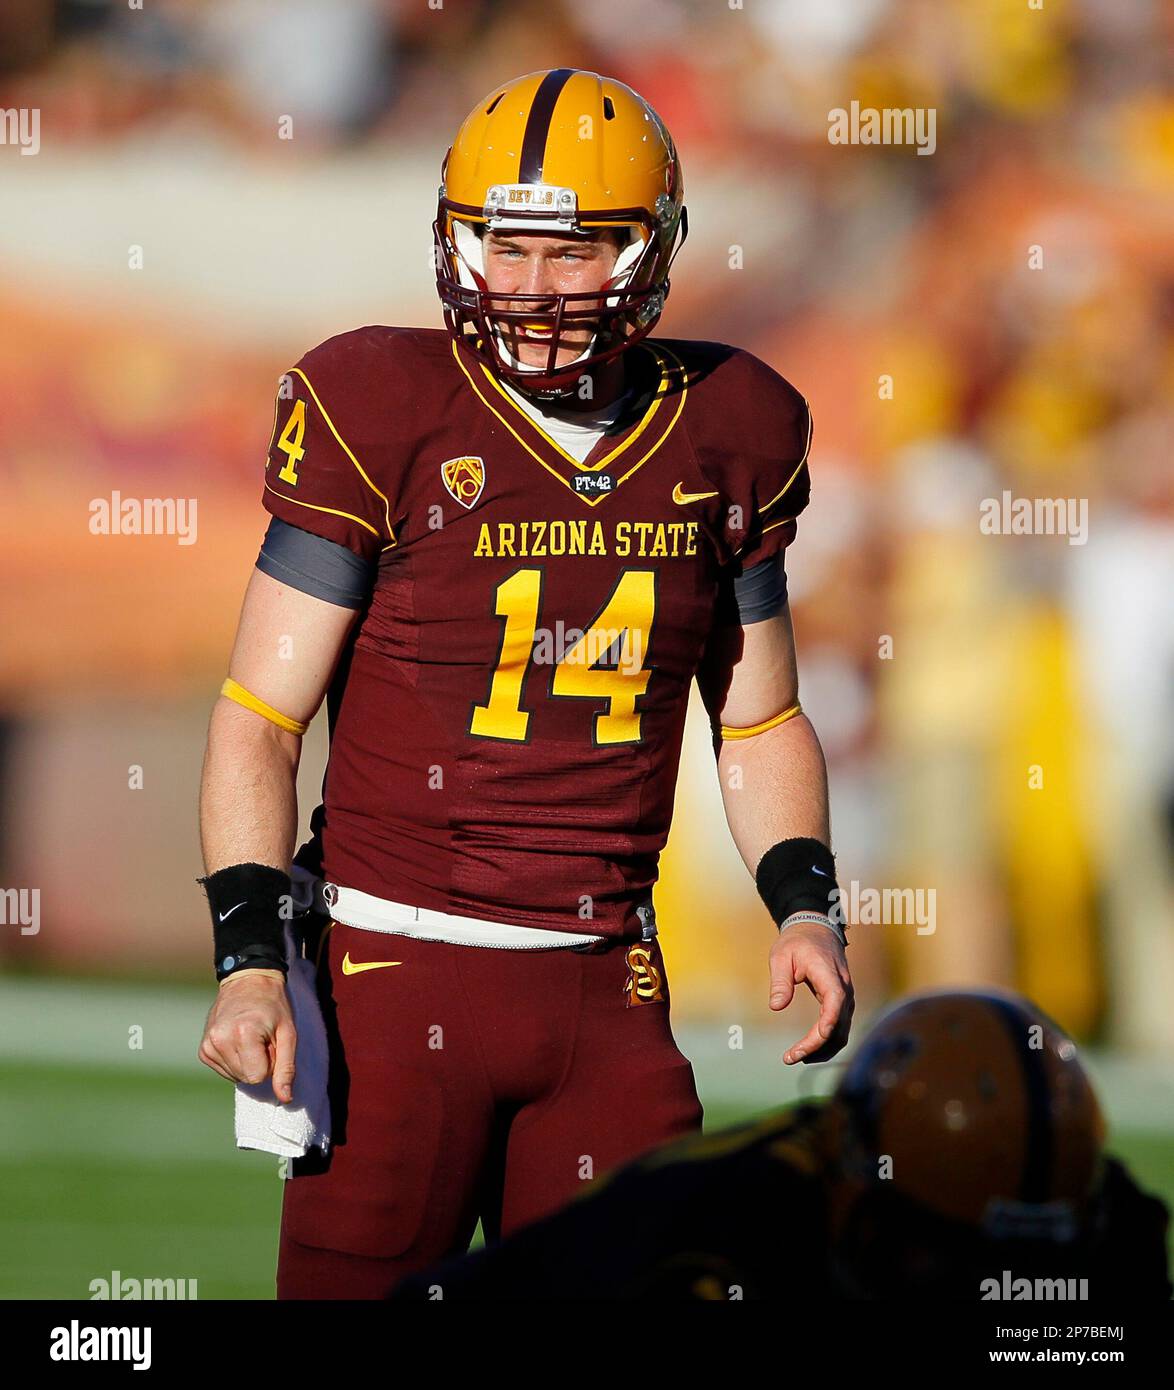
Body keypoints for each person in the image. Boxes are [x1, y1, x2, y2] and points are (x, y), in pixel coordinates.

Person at [196, 67, 852, 1298]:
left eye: (583, 247)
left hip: (609, 978)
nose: (537, 285)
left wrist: (806, 902)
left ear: (651, 251)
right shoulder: (377, 401)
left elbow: (758, 713)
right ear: (458, 239)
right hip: (391, 974)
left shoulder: (734, 426)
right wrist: (245, 955)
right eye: (507, 244)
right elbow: (260, 718)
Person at [391, 991, 1172, 1301]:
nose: (986, 1290)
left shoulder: (1105, 1226)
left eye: (1011, 1270)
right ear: (852, 1173)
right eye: (944, 1253)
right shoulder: (717, 1236)